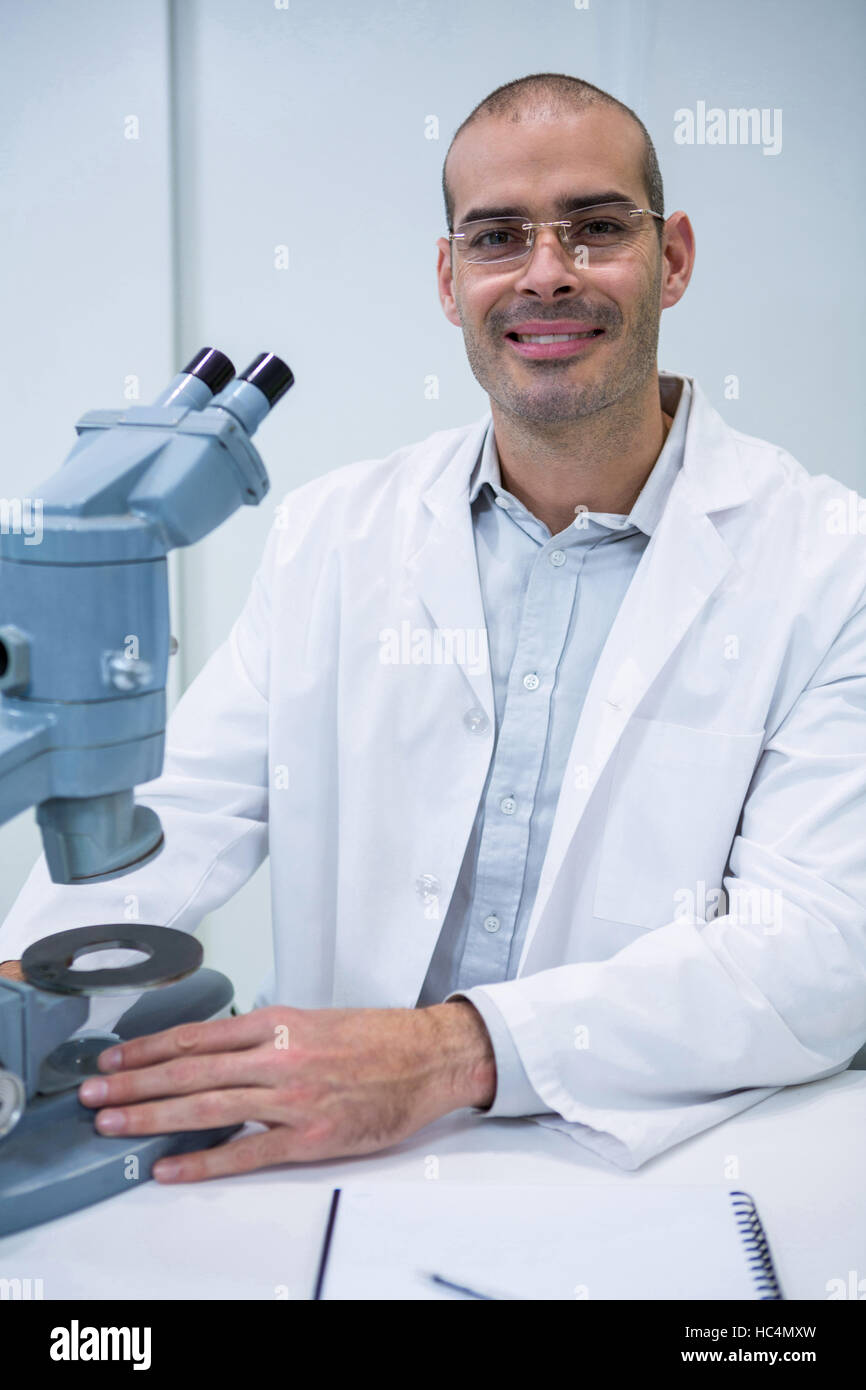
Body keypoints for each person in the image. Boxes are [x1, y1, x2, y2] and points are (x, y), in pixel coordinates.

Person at [2, 72, 865, 1179]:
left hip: (650, 1163)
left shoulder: (827, 561)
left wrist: (448, 1053)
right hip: (319, 1165)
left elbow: (819, 945)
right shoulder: (330, 535)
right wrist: (24, 990)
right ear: (450, 278)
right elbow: (175, 815)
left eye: (596, 228)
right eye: (499, 236)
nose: (547, 271)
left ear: (674, 257)